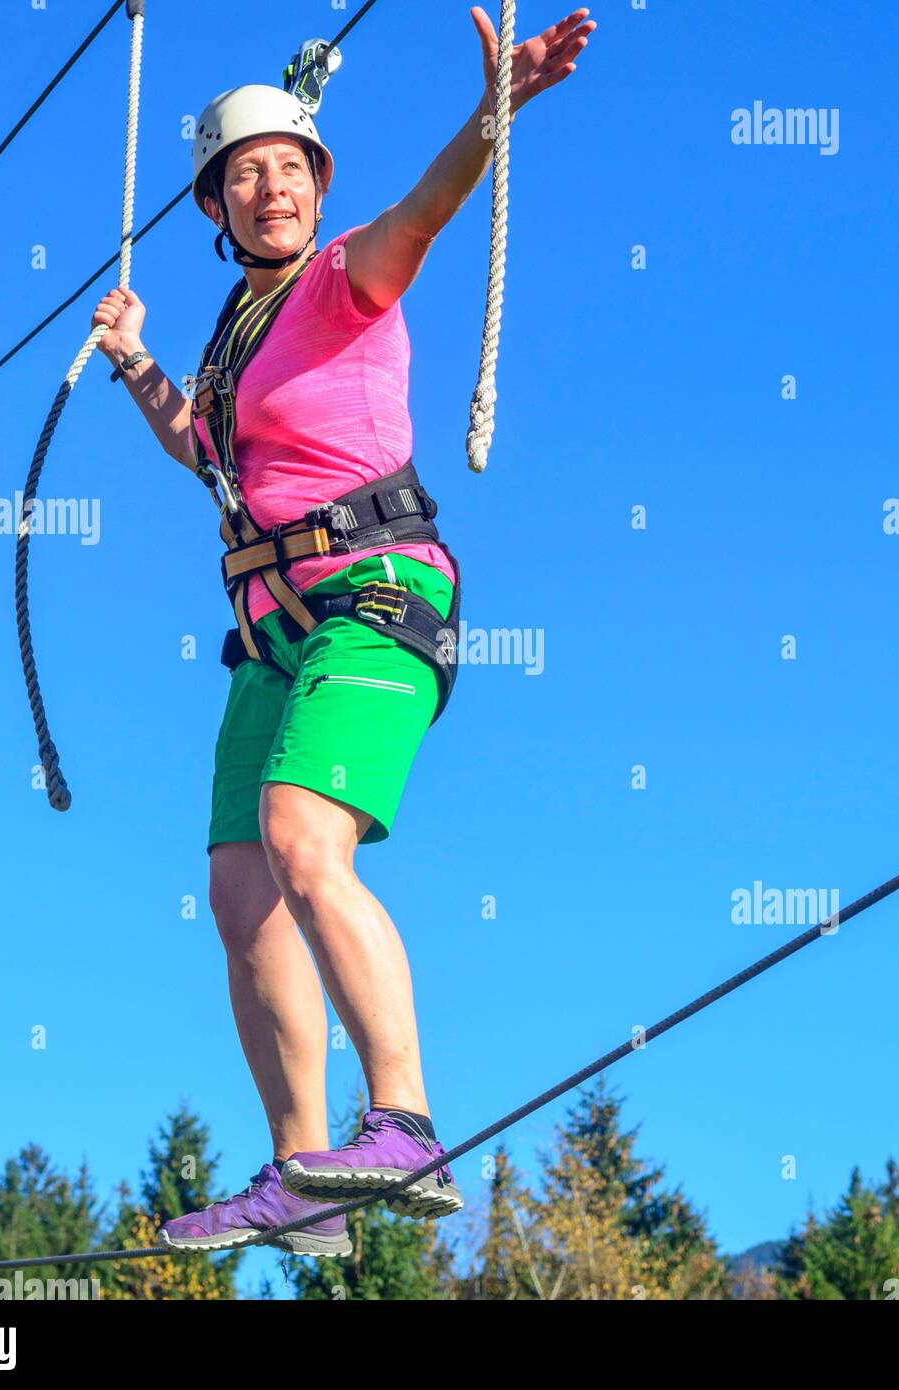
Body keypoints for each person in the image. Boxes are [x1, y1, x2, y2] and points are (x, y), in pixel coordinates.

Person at [90, 7, 596, 1257]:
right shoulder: (232, 338)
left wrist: (495, 110)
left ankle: (405, 1123)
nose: (269, 187)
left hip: (375, 594)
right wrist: (136, 363)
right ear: (214, 206)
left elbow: (425, 212)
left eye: (288, 168)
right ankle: (302, 1174)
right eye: (243, 174)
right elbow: (204, 449)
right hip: (270, 636)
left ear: (318, 186)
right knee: (239, 888)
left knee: (302, 834)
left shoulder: (341, 279)